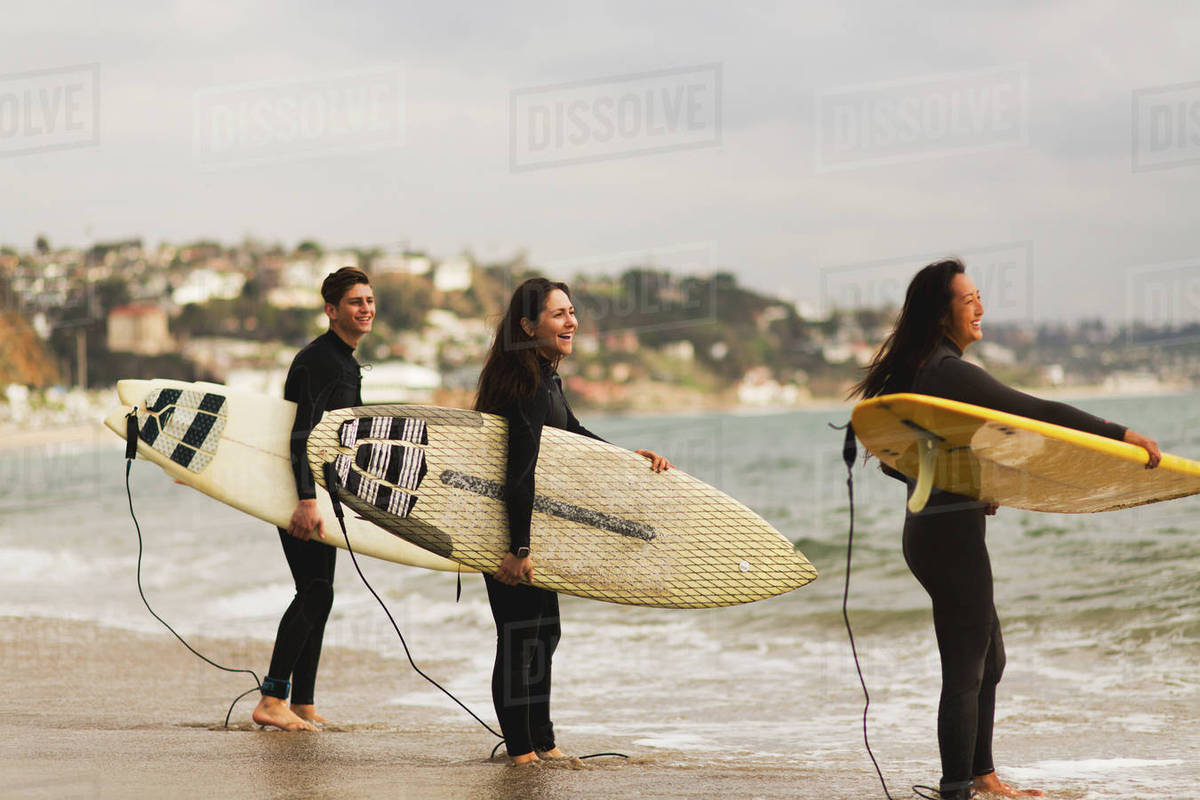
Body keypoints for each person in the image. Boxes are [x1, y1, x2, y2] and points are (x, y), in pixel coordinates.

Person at [850, 258, 1160, 800]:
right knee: (967, 665)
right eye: (969, 299)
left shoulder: (929, 368)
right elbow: (1032, 410)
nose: (980, 308)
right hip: (946, 538)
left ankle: (981, 775)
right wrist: (1118, 433)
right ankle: (957, 787)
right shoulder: (946, 370)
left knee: (987, 658)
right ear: (941, 312)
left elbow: (902, 458)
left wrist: (968, 488)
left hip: (938, 529)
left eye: (978, 296)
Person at [474, 277, 672, 765]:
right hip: (508, 530)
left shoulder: (543, 376)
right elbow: (518, 474)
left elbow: (573, 436)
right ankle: (521, 752)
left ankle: (542, 741)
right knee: (520, 636)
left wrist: (626, 459)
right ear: (528, 325)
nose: (572, 322)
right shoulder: (523, 385)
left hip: (531, 531)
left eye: (572, 312)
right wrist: (517, 549)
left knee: (544, 632)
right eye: (559, 314)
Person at [251, 267, 376, 732]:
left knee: (320, 594)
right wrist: (305, 499)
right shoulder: (321, 360)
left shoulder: (343, 360)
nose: (365, 309)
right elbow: (302, 432)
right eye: (355, 302)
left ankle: (301, 703)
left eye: (368, 300)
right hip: (300, 494)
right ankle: (271, 697)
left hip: (320, 494)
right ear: (331, 310)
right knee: (315, 591)